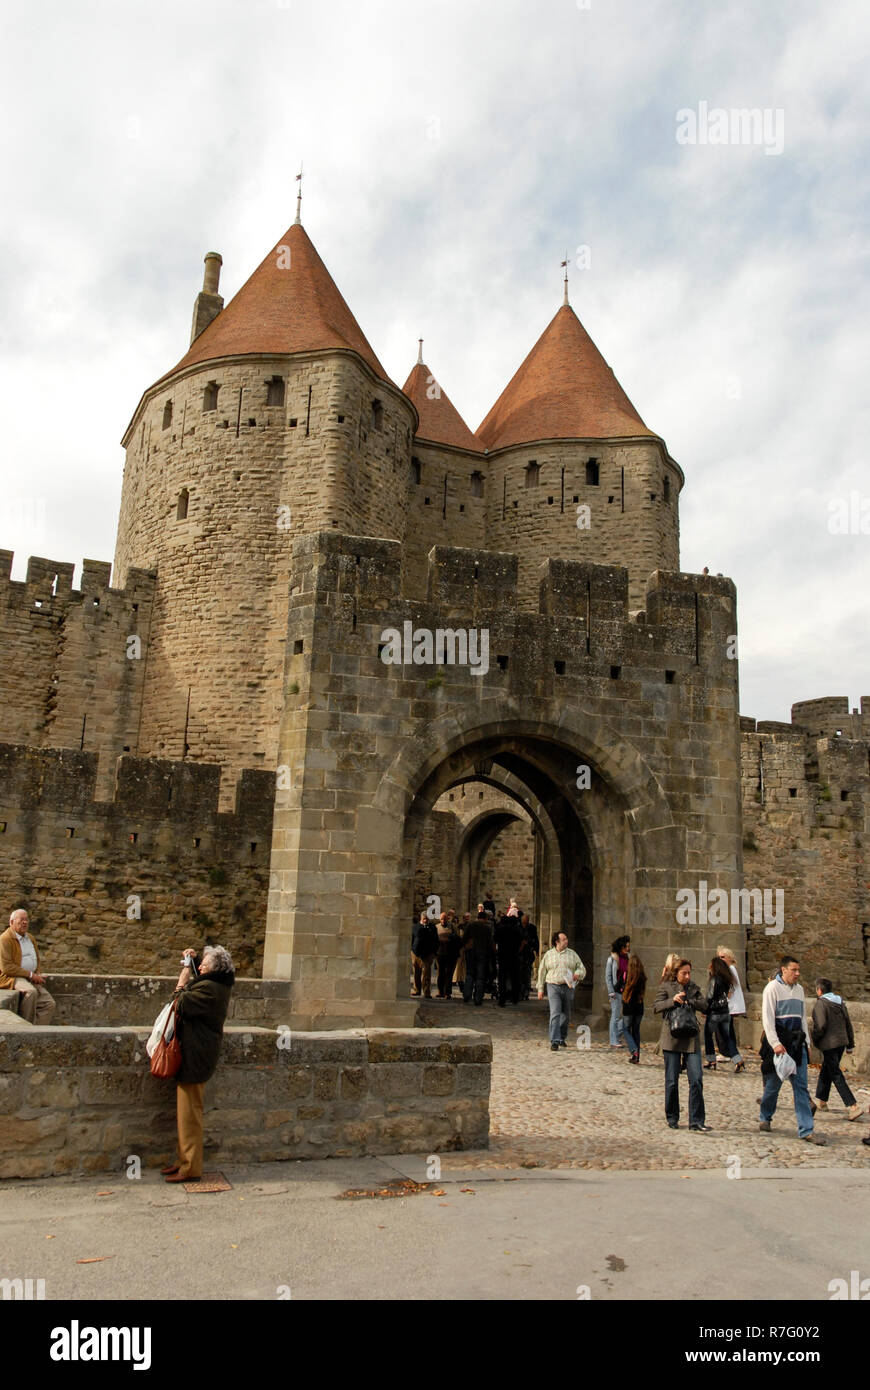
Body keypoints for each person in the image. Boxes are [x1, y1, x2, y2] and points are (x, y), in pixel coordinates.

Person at [161, 944, 235, 1183]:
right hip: (194, 1054)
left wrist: (181, 982)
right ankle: (182, 1160)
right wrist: (191, 961)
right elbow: (200, 982)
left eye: (204, 963)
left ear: (213, 969)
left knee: (190, 1115)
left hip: (196, 1056)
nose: (200, 966)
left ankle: (190, 1167)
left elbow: (180, 1003)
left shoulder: (211, 990)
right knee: (185, 1114)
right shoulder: (215, 984)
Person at [759, 955, 825, 1145]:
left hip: (797, 1044)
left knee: (801, 1087)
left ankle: (806, 1130)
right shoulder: (772, 988)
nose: (797, 973)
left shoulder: (799, 990)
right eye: (793, 970)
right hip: (780, 1044)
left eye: (798, 970)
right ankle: (765, 1116)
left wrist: (807, 1044)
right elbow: (767, 1018)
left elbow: (802, 1018)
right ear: (784, 970)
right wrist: (775, 1043)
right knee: (773, 1085)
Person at [653, 959, 711, 1130]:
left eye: (689, 973)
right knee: (672, 1080)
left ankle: (696, 1121)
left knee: (696, 1079)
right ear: (676, 973)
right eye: (684, 973)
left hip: (691, 1039)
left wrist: (690, 1001)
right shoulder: (666, 987)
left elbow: (705, 1006)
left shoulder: (693, 988)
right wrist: (673, 1001)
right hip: (671, 1037)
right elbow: (656, 1006)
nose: (687, 976)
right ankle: (672, 1117)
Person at [811, 978, 863, 1120]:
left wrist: (815, 1039)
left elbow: (820, 1026)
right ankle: (822, 1101)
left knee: (835, 1073)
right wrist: (850, 1044)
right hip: (841, 1042)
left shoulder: (821, 1004)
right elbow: (848, 1024)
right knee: (827, 1069)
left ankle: (853, 1106)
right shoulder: (840, 1002)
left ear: (819, 990)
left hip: (829, 1043)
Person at [0, 909, 56, 1024]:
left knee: (49, 1004)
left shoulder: (30, 938)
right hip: (12, 977)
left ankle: (37, 1031)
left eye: (26, 919)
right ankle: (26, 1028)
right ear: (11, 922)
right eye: (21, 920)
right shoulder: (5, 939)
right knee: (30, 992)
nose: (25, 922)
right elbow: (7, 968)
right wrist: (31, 975)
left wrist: (37, 973)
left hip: (29, 976)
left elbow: (36, 959)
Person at [537, 931, 586, 1051]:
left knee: (566, 1015)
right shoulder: (548, 955)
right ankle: (554, 1040)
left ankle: (561, 1037)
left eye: (566, 939)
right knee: (555, 1013)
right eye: (564, 939)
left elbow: (582, 968)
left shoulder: (572, 954)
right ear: (557, 942)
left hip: (567, 987)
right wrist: (540, 988)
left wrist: (577, 974)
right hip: (553, 986)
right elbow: (542, 971)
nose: (566, 941)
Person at [703, 957, 741, 1070]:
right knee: (728, 1038)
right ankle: (738, 1060)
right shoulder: (726, 979)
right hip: (725, 1011)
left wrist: (705, 1010)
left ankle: (711, 1060)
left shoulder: (714, 979)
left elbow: (710, 997)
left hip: (714, 1013)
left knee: (708, 1036)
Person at [716, 946, 747, 1071]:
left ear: (729, 958)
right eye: (719, 957)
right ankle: (730, 1054)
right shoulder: (727, 969)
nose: (720, 959)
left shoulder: (730, 969)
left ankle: (734, 1057)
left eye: (723, 957)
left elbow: (730, 988)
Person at [461, 912, 493, 1006]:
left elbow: (464, 938)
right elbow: (489, 943)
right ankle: (478, 998)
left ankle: (467, 995)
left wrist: (464, 947)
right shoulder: (486, 928)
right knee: (480, 977)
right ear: (485, 919)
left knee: (470, 974)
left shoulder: (471, 926)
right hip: (482, 954)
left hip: (471, 953)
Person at [605, 935, 630, 1046]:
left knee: (628, 1016)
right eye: (626, 947)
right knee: (615, 1016)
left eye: (628, 946)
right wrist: (611, 992)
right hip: (615, 991)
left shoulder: (628, 957)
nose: (628, 948)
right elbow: (608, 977)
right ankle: (614, 1040)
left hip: (626, 991)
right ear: (620, 947)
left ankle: (616, 1035)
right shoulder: (612, 959)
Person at [495, 909, 523, 1006]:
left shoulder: (500, 930)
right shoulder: (517, 930)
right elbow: (522, 941)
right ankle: (515, 998)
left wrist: (496, 951)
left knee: (502, 978)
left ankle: (502, 999)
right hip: (514, 955)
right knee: (514, 977)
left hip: (503, 955)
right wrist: (518, 951)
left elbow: (495, 941)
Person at [621, 954, 646, 1063]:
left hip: (628, 1007)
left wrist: (622, 989)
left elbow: (618, 987)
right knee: (636, 1031)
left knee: (626, 1029)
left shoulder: (626, 975)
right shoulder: (642, 977)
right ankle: (637, 1056)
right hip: (639, 1007)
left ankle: (634, 1050)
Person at [411, 911, 438, 998]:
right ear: (421, 918)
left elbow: (435, 940)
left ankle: (426, 992)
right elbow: (411, 939)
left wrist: (434, 952)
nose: (426, 920)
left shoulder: (432, 927)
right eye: (424, 919)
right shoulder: (415, 927)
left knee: (426, 973)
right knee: (416, 972)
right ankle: (417, 990)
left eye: (427, 919)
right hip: (416, 953)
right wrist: (412, 949)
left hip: (428, 953)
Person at [435, 912, 461, 999]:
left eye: (444, 919)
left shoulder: (452, 927)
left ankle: (447, 992)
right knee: (440, 973)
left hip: (450, 953)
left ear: (447, 919)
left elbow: (457, 938)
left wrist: (449, 938)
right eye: (442, 919)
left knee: (449, 974)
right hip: (440, 953)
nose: (443, 921)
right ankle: (440, 991)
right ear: (439, 919)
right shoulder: (436, 927)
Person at [519, 914, 539, 1000]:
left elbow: (535, 939)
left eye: (526, 922)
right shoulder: (518, 927)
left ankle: (526, 992)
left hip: (528, 953)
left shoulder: (532, 928)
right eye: (523, 922)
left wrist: (536, 950)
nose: (524, 924)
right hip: (520, 953)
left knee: (527, 973)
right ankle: (521, 991)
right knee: (520, 973)